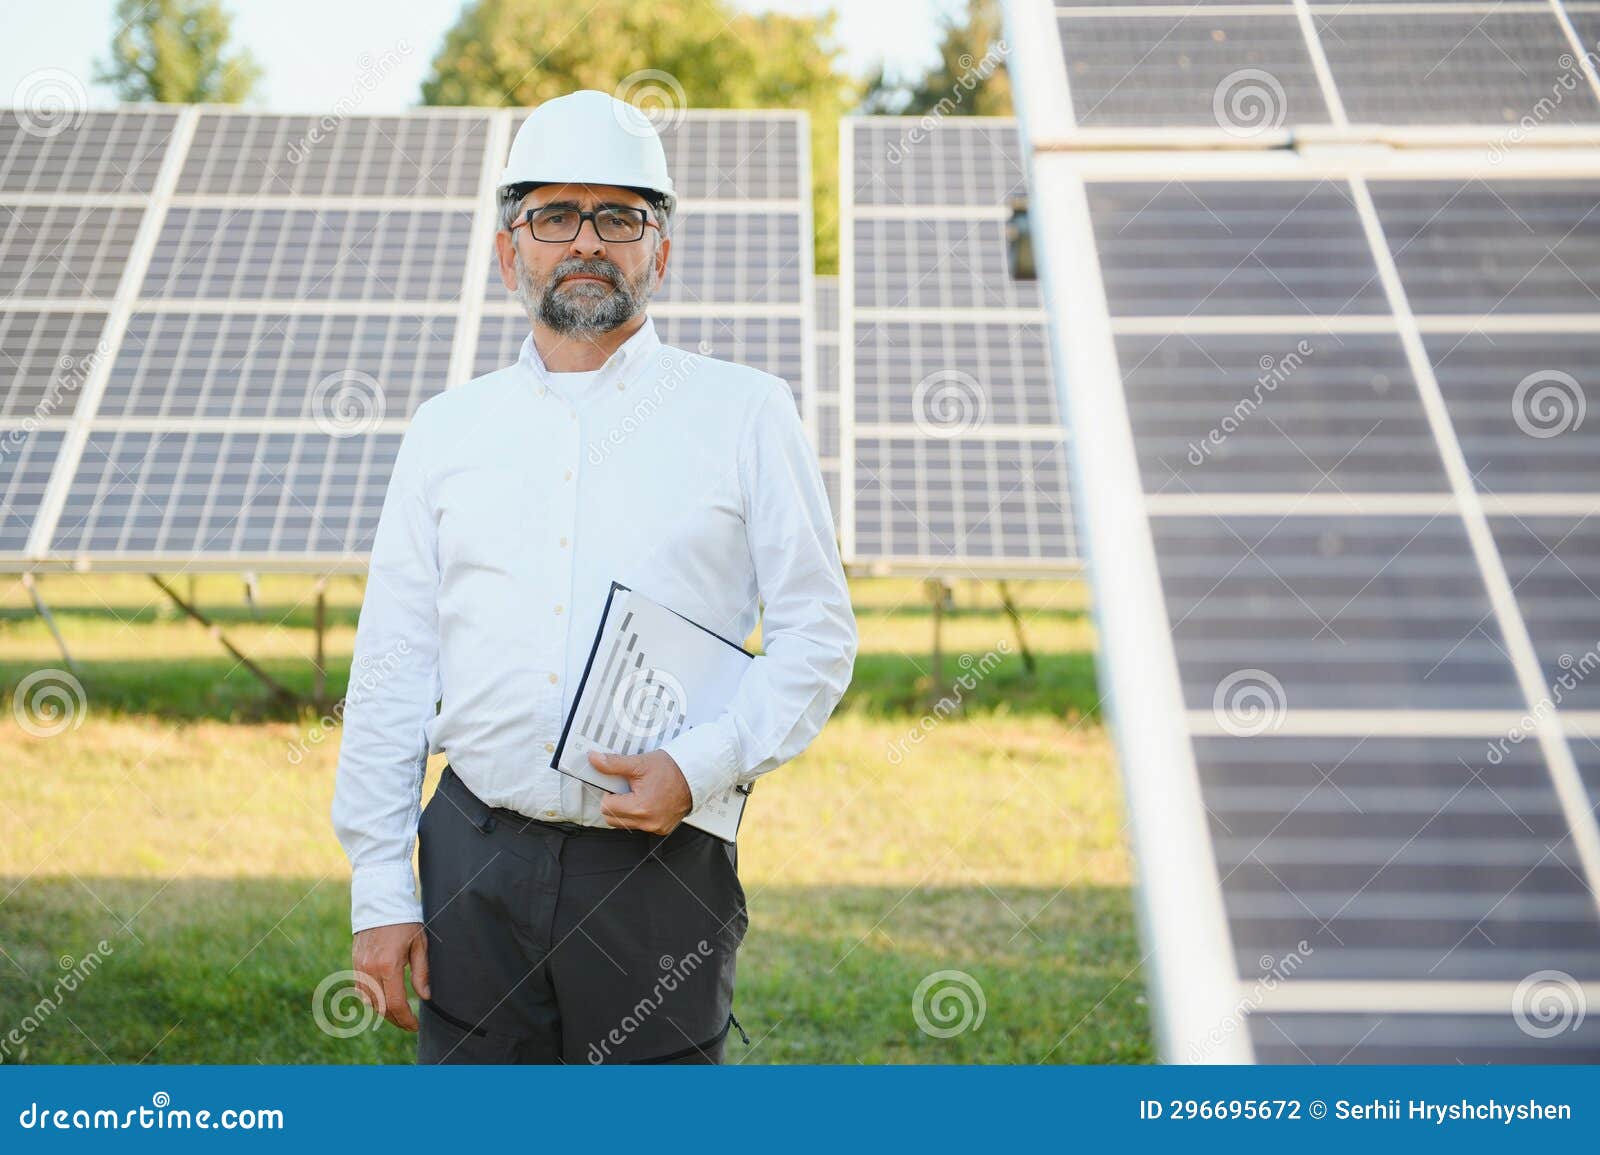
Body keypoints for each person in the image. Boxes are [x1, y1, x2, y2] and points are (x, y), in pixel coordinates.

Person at [330, 89, 857, 1064]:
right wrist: (380, 887)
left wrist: (701, 766)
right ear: (508, 253)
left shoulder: (746, 414)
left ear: (661, 251)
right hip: (471, 859)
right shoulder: (447, 431)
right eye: (553, 215)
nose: (585, 239)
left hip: (658, 873)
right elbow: (393, 663)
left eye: (619, 216)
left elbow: (819, 637)